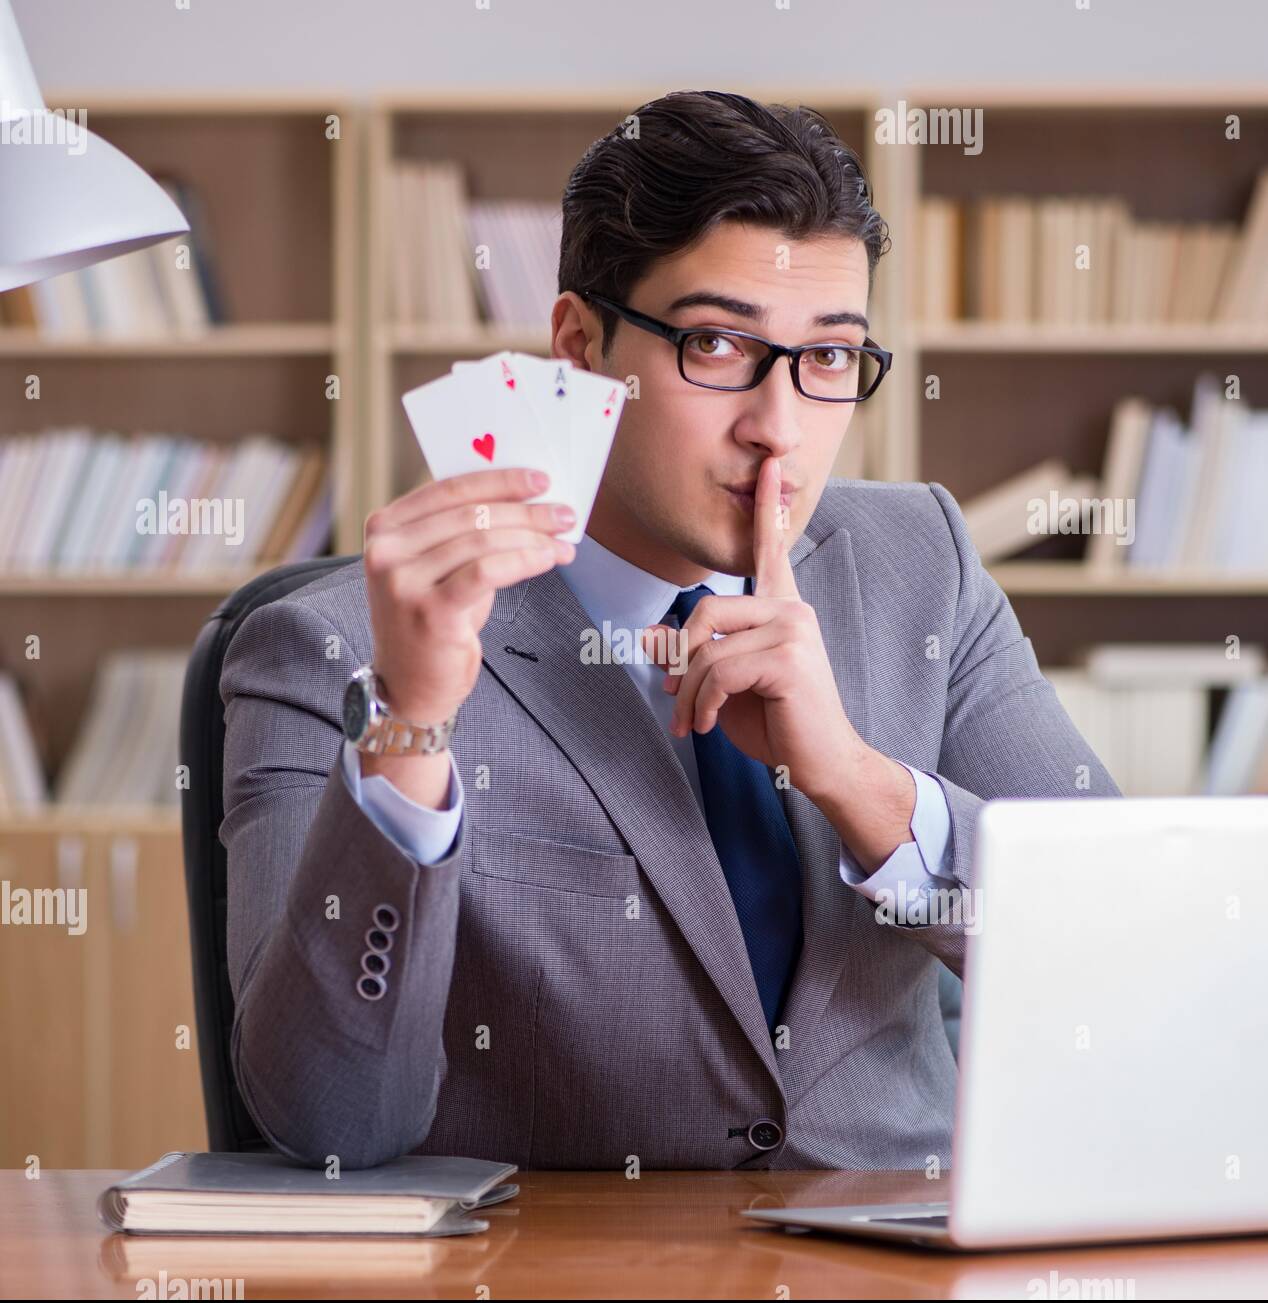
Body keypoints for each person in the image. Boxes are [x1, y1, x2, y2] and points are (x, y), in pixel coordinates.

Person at [220, 89, 1119, 1171]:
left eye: (827, 358)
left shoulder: (918, 561)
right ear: (578, 346)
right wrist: (410, 728)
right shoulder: (326, 648)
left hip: (904, 1263)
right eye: (715, 344)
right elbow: (327, 1122)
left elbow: (1117, 944)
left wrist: (855, 781)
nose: (776, 426)